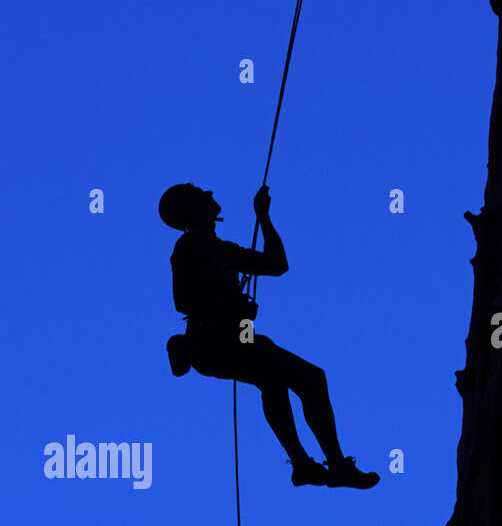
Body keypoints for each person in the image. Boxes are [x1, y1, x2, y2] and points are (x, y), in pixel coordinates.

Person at [159, 182, 380, 489]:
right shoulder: (193, 248)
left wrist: (263, 216)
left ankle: (306, 465)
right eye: (200, 194)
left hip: (229, 340)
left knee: (275, 380)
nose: (210, 194)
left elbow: (277, 265)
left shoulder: (219, 249)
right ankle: (325, 466)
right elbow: (183, 301)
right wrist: (230, 305)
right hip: (213, 342)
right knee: (308, 378)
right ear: (192, 210)